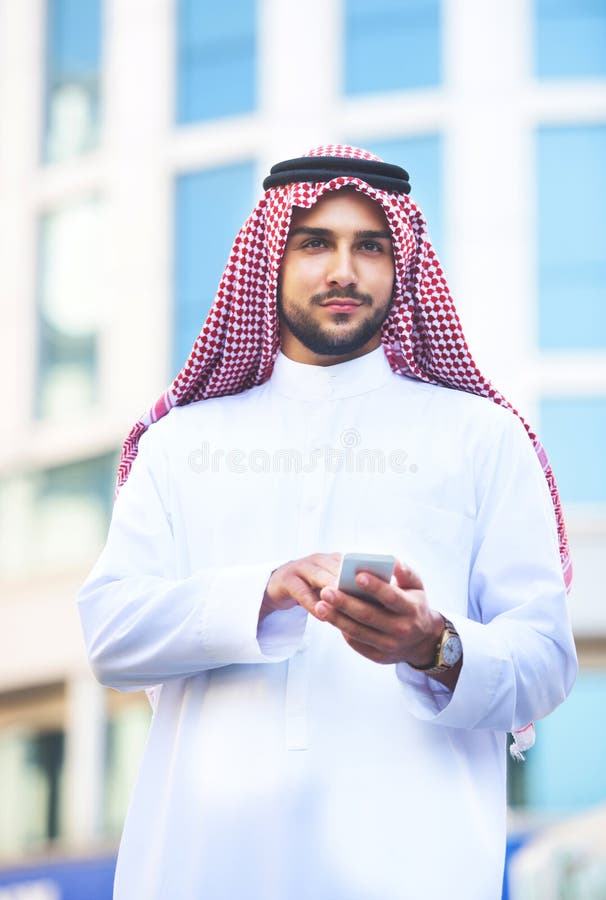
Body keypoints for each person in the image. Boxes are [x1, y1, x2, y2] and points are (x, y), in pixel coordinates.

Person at [78, 145, 577, 900]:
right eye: (315, 242)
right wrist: (264, 592)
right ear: (271, 259)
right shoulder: (181, 443)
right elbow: (110, 635)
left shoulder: (482, 437)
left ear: (399, 265)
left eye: (368, 246)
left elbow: (545, 661)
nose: (343, 269)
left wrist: (433, 645)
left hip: (416, 871)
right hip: (198, 870)